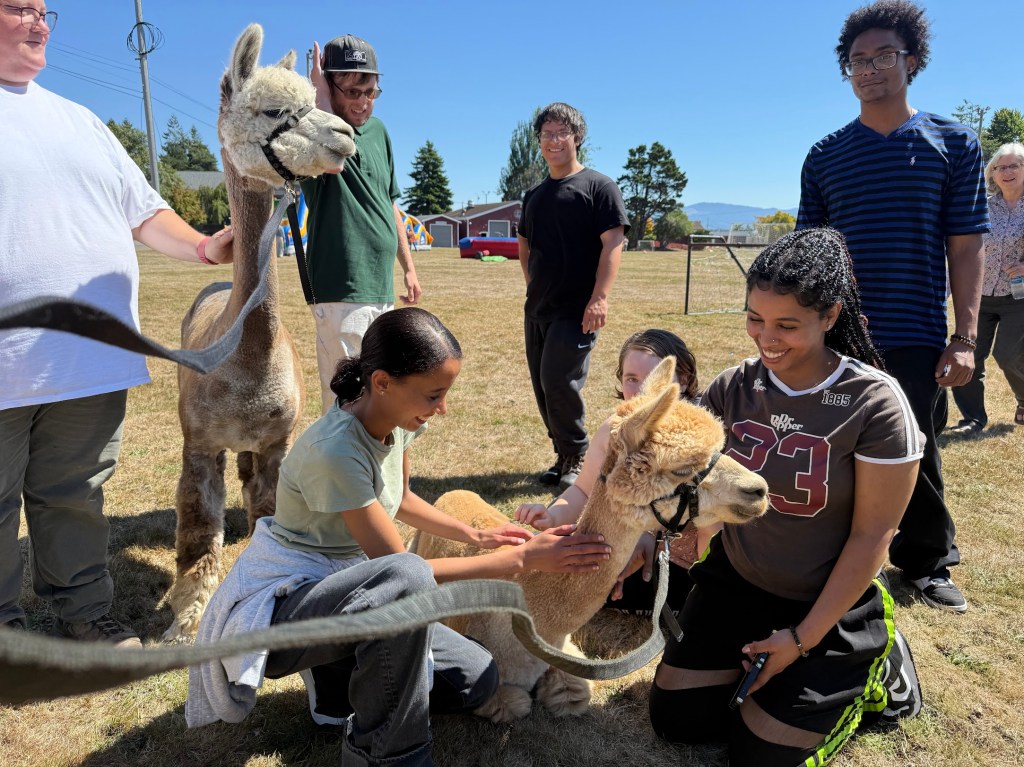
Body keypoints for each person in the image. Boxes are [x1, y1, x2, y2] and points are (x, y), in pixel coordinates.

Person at [186, 307, 612, 766]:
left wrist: (475, 533)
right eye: (433, 395)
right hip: (286, 601)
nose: (441, 409)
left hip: (350, 584)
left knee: (478, 680)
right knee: (405, 584)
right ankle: (386, 753)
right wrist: (524, 560)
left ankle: (339, 678)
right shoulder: (335, 452)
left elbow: (400, 497)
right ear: (383, 382)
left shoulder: (397, 421)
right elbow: (404, 573)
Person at [0, 3, 233, 645]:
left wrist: (205, 248)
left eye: (46, 11)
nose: (39, 21)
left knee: (75, 494)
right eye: (21, 7)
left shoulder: (80, 121)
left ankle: (83, 614)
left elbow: (144, 211)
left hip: (90, 359)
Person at [649, 227, 923, 766]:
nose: (765, 337)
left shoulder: (875, 402)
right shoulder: (734, 385)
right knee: (678, 722)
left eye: (787, 325)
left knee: (759, 758)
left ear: (830, 315)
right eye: (755, 318)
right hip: (739, 581)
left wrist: (801, 639)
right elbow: (685, 476)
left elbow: (873, 535)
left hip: (826, 598)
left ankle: (880, 664)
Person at [797, 0, 989, 613]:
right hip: (838, 330)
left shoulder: (954, 144)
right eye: (857, 60)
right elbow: (809, 254)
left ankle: (928, 560)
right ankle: (833, 552)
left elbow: (965, 247)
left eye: (884, 56)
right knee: (829, 444)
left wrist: (964, 337)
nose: (870, 68)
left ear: (912, 61)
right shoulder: (825, 155)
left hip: (914, 328)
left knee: (913, 447)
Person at [516, 329, 703, 616]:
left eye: (654, 378)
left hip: (677, 563)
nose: (642, 390)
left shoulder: (693, 436)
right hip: (621, 549)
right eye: (631, 379)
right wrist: (551, 516)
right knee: (563, 566)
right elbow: (582, 490)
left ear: (683, 379)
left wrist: (650, 537)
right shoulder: (613, 428)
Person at [304, 34, 422, 415]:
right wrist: (319, 97)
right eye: (353, 91)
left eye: (370, 91)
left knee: (380, 396)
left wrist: (409, 268)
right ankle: (340, 475)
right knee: (346, 404)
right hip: (341, 288)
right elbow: (332, 159)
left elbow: (389, 203)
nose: (363, 102)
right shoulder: (313, 130)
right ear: (328, 85)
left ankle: (373, 475)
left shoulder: (380, 132)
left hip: (379, 285)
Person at [518, 102, 629, 489]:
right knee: (542, 386)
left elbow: (613, 243)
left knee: (558, 380)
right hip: (539, 308)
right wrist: (533, 284)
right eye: (546, 134)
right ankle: (563, 454)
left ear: (577, 137)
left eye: (560, 133)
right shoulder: (534, 195)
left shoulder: (599, 187)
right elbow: (524, 243)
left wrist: (599, 297)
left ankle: (580, 454)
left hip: (577, 309)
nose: (553, 141)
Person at [950, 143, 1024, 433]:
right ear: (992, 173)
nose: (1006, 172)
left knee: (1007, 355)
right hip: (979, 295)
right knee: (968, 356)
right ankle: (972, 419)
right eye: (999, 167)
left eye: (1013, 166)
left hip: (1018, 297)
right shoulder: (982, 205)